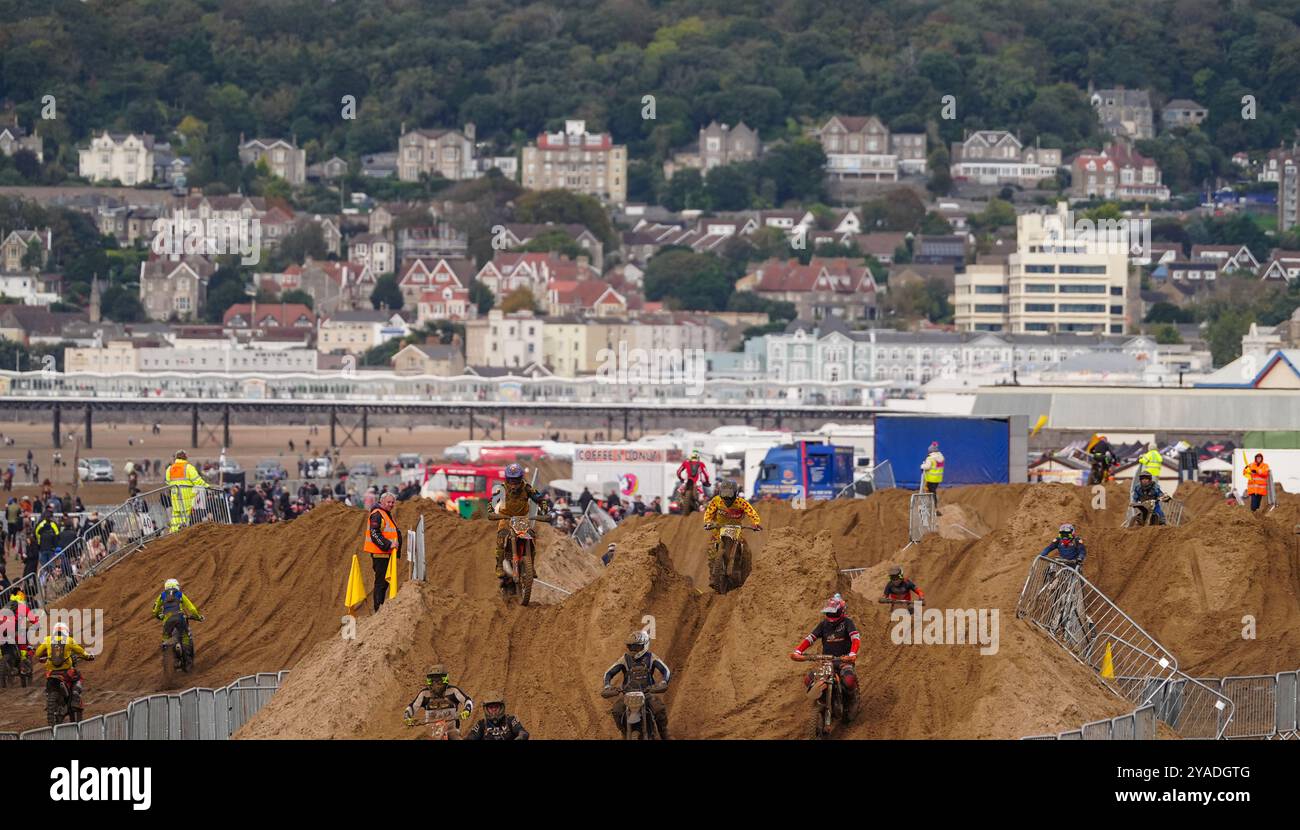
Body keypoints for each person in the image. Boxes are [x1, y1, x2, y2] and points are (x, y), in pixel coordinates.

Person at [790, 594, 861, 721]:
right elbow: (810, 638)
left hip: (843, 660)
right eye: (829, 612)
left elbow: (855, 638)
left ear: (841, 611)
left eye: (833, 612)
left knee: (849, 680)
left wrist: (852, 654)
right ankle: (824, 700)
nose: (831, 615)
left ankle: (852, 699)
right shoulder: (823, 624)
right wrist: (798, 651)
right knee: (808, 679)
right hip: (827, 661)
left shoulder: (847, 622)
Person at [491, 463, 551, 593]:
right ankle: (500, 566)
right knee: (501, 536)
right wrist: (490, 511)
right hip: (506, 517)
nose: (514, 484)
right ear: (507, 479)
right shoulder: (501, 489)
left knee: (532, 535)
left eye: (516, 480)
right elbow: (492, 502)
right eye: (511, 480)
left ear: (521, 479)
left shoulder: (527, 488)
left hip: (522, 518)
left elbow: (540, 498)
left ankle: (531, 566)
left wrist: (544, 508)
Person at [602, 630, 670, 739]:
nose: (633, 650)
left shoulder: (651, 657)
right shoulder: (624, 659)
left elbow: (665, 670)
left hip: (647, 693)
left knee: (658, 709)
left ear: (644, 645)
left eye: (637, 647)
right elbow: (609, 673)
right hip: (627, 694)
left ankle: (664, 733)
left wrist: (663, 682)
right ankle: (624, 732)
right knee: (617, 711)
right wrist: (607, 686)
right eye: (631, 646)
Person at [34, 621, 94, 718]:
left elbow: (37, 653)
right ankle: (75, 698)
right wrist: (89, 656)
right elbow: (81, 652)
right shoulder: (69, 640)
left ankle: (49, 698)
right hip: (66, 671)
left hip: (51, 672)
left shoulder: (48, 639)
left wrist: (46, 654)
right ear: (66, 631)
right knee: (77, 677)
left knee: (48, 688)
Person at [701, 479, 761, 568]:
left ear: (735, 493)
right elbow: (709, 512)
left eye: (729, 494)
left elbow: (751, 512)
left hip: (736, 528)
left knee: (745, 549)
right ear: (720, 492)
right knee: (712, 547)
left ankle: (745, 567)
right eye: (724, 494)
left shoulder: (741, 502)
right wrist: (708, 522)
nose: (727, 497)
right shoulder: (716, 500)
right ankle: (713, 566)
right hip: (719, 527)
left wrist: (756, 523)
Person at [403, 666, 473, 739]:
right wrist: (407, 717)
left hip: (451, 729)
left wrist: (467, 710)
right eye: (432, 680)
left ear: (445, 680)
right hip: (431, 730)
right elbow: (412, 707)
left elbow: (467, 700)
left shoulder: (453, 691)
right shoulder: (424, 694)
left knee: (455, 736)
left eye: (439, 680)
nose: (435, 684)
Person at [364, 491, 401, 611]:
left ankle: (380, 607)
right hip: (380, 554)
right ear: (382, 502)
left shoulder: (386, 513)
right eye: (388, 502)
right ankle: (378, 609)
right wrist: (389, 544)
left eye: (392, 502)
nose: (391, 504)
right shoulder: (377, 514)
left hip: (386, 553)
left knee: (384, 583)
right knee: (381, 583)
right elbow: (374, 534)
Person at [153, 578, 204, 664]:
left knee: (165, 638)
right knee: (185, 637)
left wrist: (158, 616)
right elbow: (192, 608)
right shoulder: (180, 594)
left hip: (167, 619)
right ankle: (188, 661)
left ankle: (168, 656)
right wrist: (198, 617)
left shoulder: (162, 595)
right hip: (180, 618)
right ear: (177, 586)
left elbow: (155, 610)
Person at [165, 450, 208, 533]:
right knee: (184, 516)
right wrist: (207, 486)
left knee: (176, 515)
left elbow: (168, 482)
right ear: (185, 457)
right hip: (187, 497)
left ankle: (172, 533)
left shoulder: (170, 468)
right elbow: (197, 481)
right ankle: (181, 532)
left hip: (175, 496)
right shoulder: (189, 467)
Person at [465, 690, 529, 740]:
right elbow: (471, 737)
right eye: (491, 707)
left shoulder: (511, 720)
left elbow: (523, 733)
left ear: (501, 707)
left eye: (496, 707)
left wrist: (520, 737)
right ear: (486, 709)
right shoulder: (481, 724)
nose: (494, 709)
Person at [920, 441, 945, 507]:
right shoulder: (941, 458)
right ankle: (933, 504)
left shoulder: (930, 458)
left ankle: (933, 506)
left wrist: (922, 466)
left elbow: (927, 467)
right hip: (938, 478)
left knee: (931, 492)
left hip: (931, 479)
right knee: (933, 491)